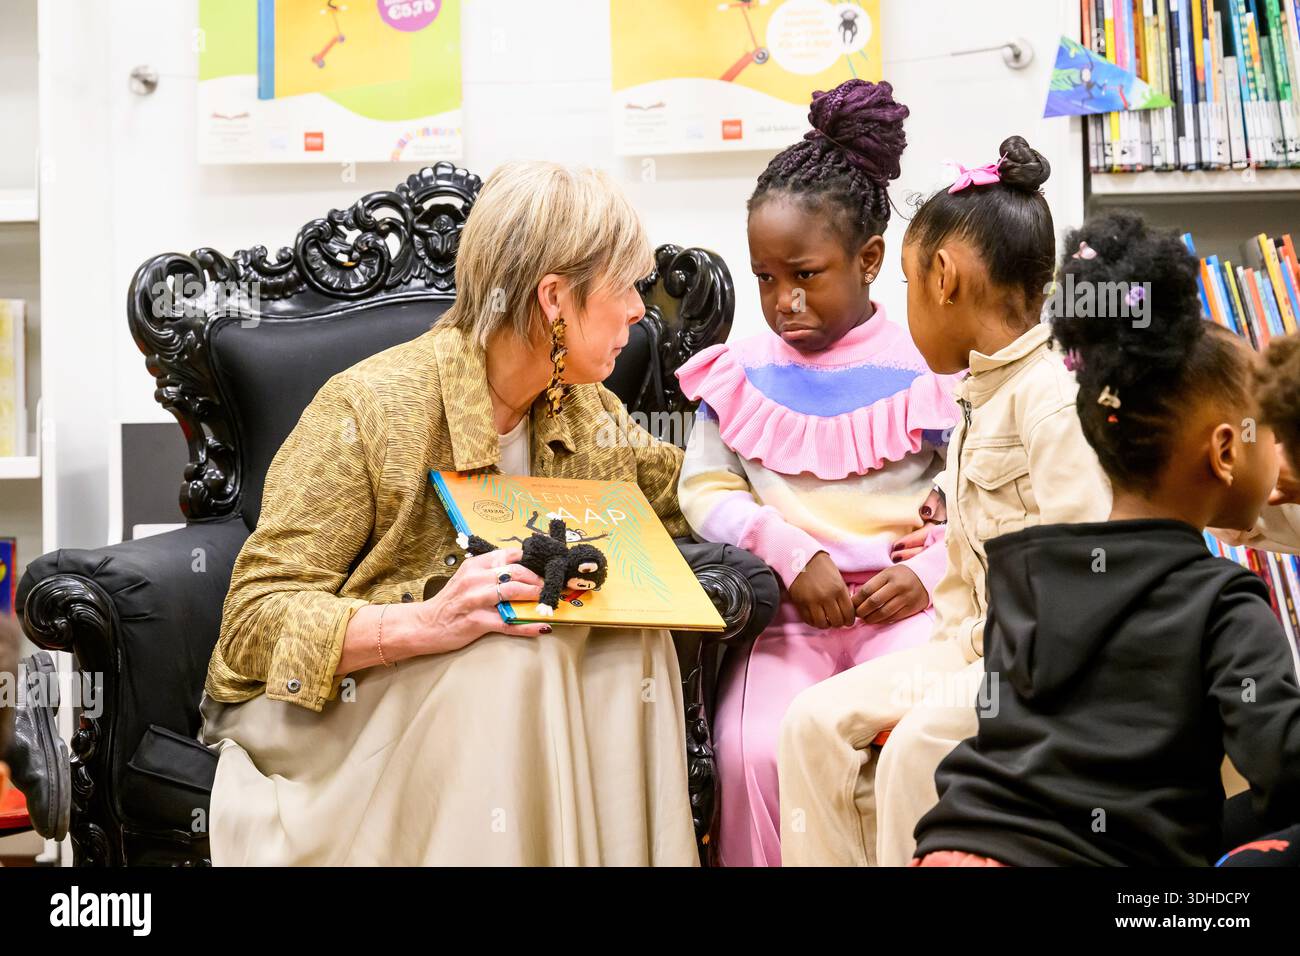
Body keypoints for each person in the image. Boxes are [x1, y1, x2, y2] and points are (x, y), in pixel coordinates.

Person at [199, 161, 699, 866]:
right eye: (625, 287)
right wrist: (428, 623)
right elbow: (252, 621)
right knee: (512, 660)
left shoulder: (586, 411)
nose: (640, 312)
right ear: (556, 298)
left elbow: (686, 492)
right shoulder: (369, 408)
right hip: (321, 716)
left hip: (489, 697)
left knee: (628, 649)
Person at [913, 212, 1300, 866]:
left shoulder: (1029, 571)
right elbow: (1282, 761)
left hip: (955, 843)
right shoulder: (1222, 600)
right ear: (1227, 451)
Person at [777, 136, 1111, 866]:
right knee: (807, 724)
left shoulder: (1051, 400)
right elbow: (964, 580)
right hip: (965, 645)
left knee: (918, 750)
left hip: (1034, 666)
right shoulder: (976, 399)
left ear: (944, 277)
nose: (902, 307)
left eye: (903, 281)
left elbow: (1089, 582)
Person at [675, 79, 957, 867]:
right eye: (765, 278)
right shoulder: (738, 372)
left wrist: (932, 570)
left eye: (806, 273)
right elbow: (704, 490)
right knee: (750, 754)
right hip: (788, 620)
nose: (784, 300)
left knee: (920, 746)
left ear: (869, 259)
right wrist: (789, 552)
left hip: (899, 618)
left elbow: (975, 494)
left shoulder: (925, 367)